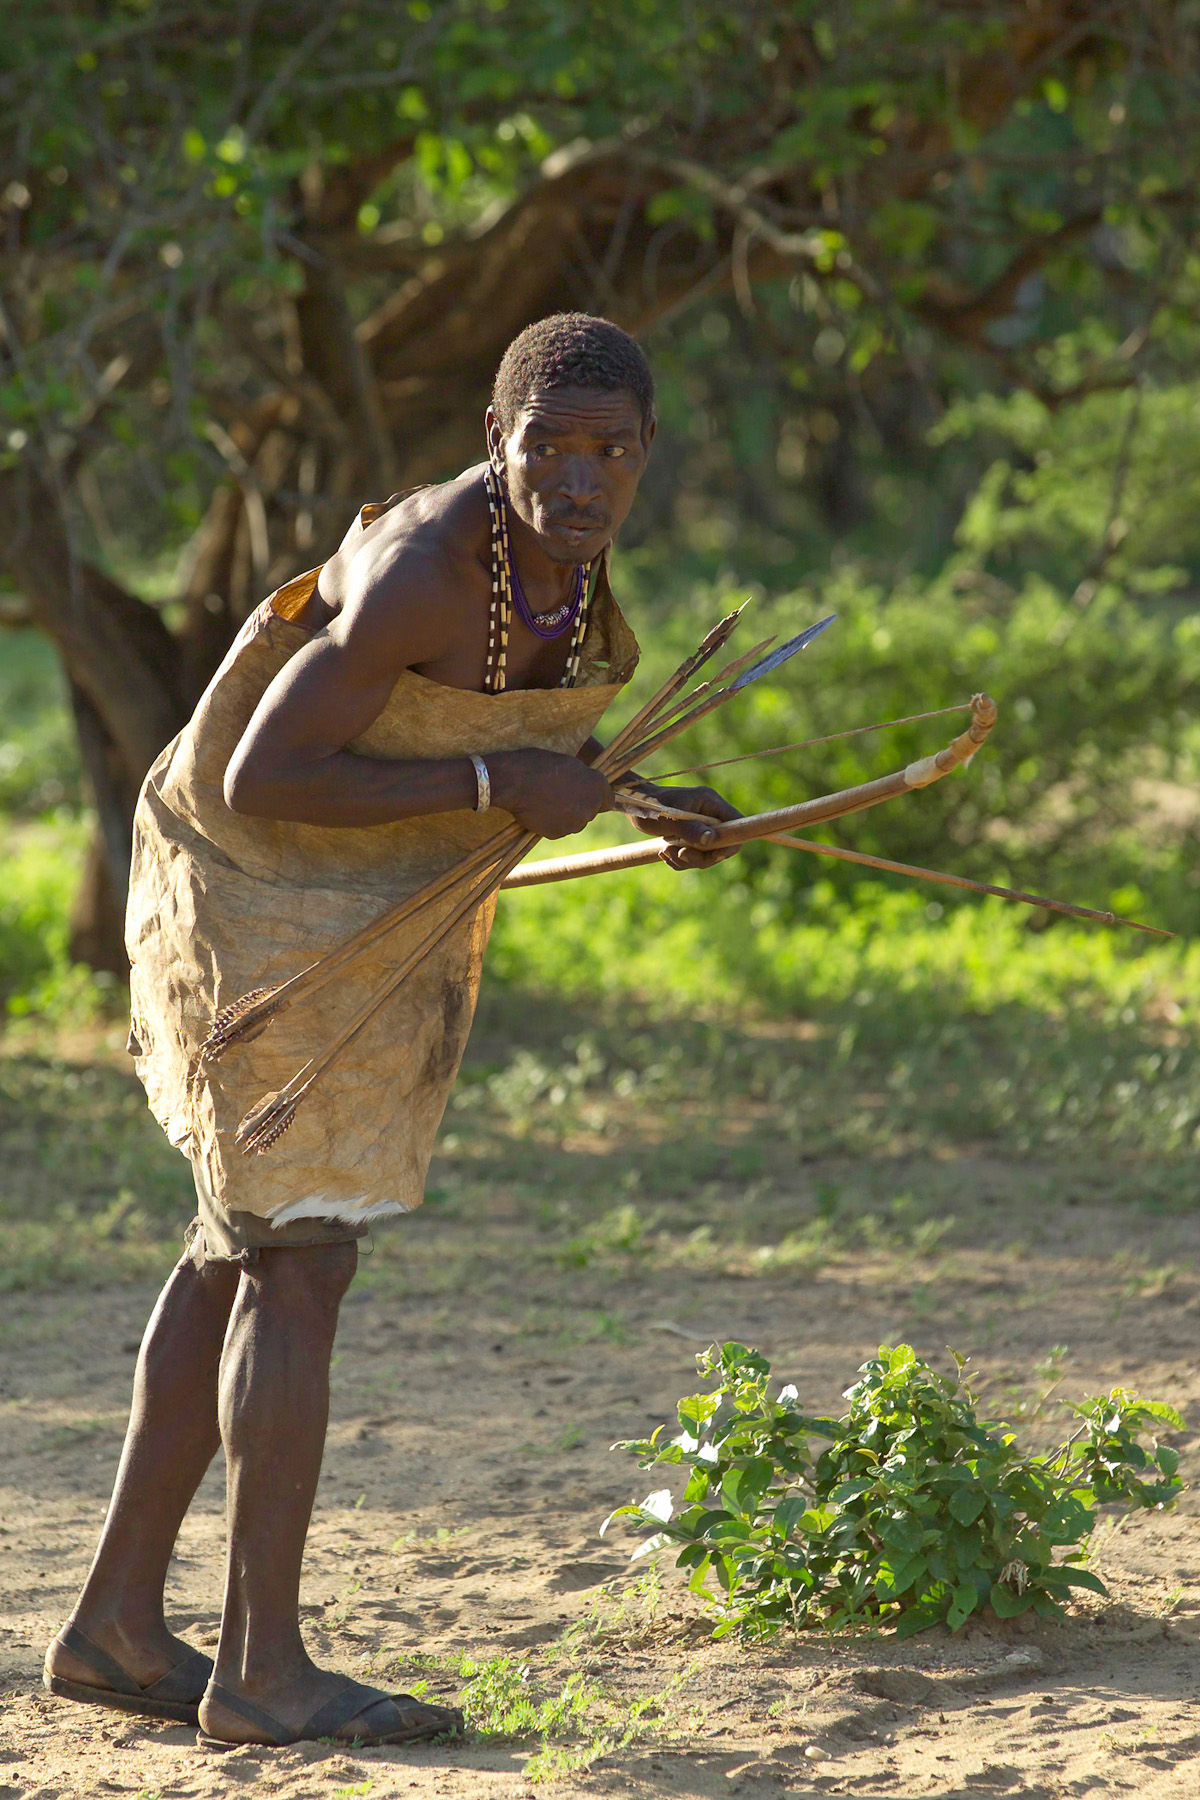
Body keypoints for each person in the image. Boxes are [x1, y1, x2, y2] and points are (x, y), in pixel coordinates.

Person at [43, 312, 739, 1749]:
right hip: (248, 884)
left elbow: (494, 727)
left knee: (241, 1246)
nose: (581, 479)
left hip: (358, 889)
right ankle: (262, 1675)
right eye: (550, 446)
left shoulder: (564, 564)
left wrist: (637, 794)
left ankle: (115, 1629)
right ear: (497, 439)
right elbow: (263, 771)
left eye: (611, 452)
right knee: (297, 1258)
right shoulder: (426, 569)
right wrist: (499, 786)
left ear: (646, 455)